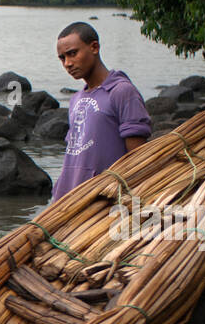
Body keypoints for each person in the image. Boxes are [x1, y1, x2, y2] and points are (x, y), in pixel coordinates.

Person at [50, 21, 151, 201]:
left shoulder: (121, 91)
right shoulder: (76, 100)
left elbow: (139, 159)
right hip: (68, 201)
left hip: (101, 203)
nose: (68, 63)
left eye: (73, 53)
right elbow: (75, 153)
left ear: (94, 47)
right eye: (62, 58)